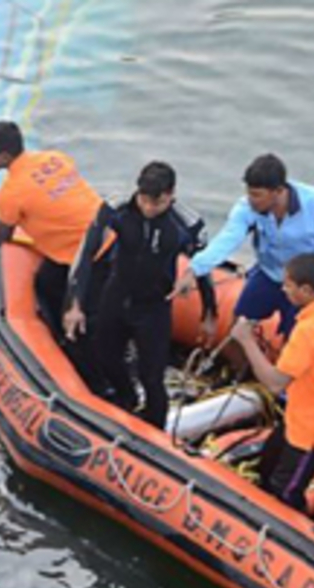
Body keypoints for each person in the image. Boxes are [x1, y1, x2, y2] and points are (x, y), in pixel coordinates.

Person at [66, 161, 216, 427]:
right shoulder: (117, 209)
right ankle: (127, 399)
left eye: (156, 203)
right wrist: (74, 303)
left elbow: (203, 269)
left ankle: (156, 430)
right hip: (116, 293)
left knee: (152, 377)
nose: (148, 209)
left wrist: (209, 312)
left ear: (171, 195)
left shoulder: (187, 224)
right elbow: (86, 254)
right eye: (144, 200)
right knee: (105, 357)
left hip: (154, 305)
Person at [180, 154, 314, 354]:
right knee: (237, 326)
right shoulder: (247, 209)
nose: (251, 200)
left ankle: (282, 379)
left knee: (297, 342)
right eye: (249, 193)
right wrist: (194, 269)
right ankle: (234, 372)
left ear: (279, 191)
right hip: (270, 272)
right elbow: (227, 240)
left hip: (304, 283)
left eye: (257, 195)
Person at [234, 254, 314, 512]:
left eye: (288, 285)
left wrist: (246, 341)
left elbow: (274, 384)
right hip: (312, 412)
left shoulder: (309, 330)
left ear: (306, 289)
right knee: (268, 463)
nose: (283, 289)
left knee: (286, 491)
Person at [0, 121, 105, 345]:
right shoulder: (55, 157)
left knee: (59, 294)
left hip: (83, 255)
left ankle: (67, 342)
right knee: (47, 279)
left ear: (3, 156)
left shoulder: (10, 192)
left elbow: (3, 235)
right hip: (105, 230)